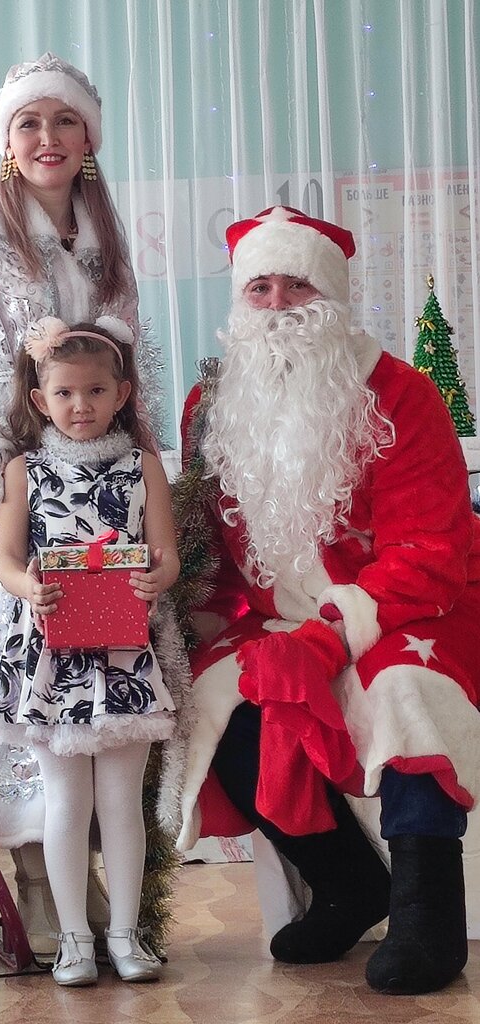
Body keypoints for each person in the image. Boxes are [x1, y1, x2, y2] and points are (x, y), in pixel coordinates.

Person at [174, 205, 480, 995]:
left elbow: (430, 555)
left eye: (298, 286)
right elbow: (211, 553)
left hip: (409, 609)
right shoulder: (210, 405)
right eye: (260, 288)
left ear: (334, 295)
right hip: (277, 616)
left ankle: (428, 915)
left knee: (404, 690)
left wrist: (330, 637)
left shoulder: (403, 394)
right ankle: (347, 882)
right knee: (213, 698)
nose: (278, 304)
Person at [0, 53, 149, 952]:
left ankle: (100, 880)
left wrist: (143, 472)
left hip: (100, 499)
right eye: (29, 123)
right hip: (1, 497)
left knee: (97, 677)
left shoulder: (107, 240)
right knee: (21, 682)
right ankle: (37, 873)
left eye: (65, 120)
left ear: (89, 137)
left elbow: (132, 366)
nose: (48, 138)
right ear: (8, 141)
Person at [0, 317, 179, 986]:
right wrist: (29, 586)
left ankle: (125, 935)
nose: (81, 406)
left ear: (121, 394)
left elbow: (166, 554)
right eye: (64, 393)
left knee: (121, 801)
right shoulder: (23, 470)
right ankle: (74, 940)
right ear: (41, 400)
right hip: (52, 655)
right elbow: (8, 559)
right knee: (65, 801)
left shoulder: (142, 467)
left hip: (123, 657)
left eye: (95, 391)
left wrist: (156, 577)